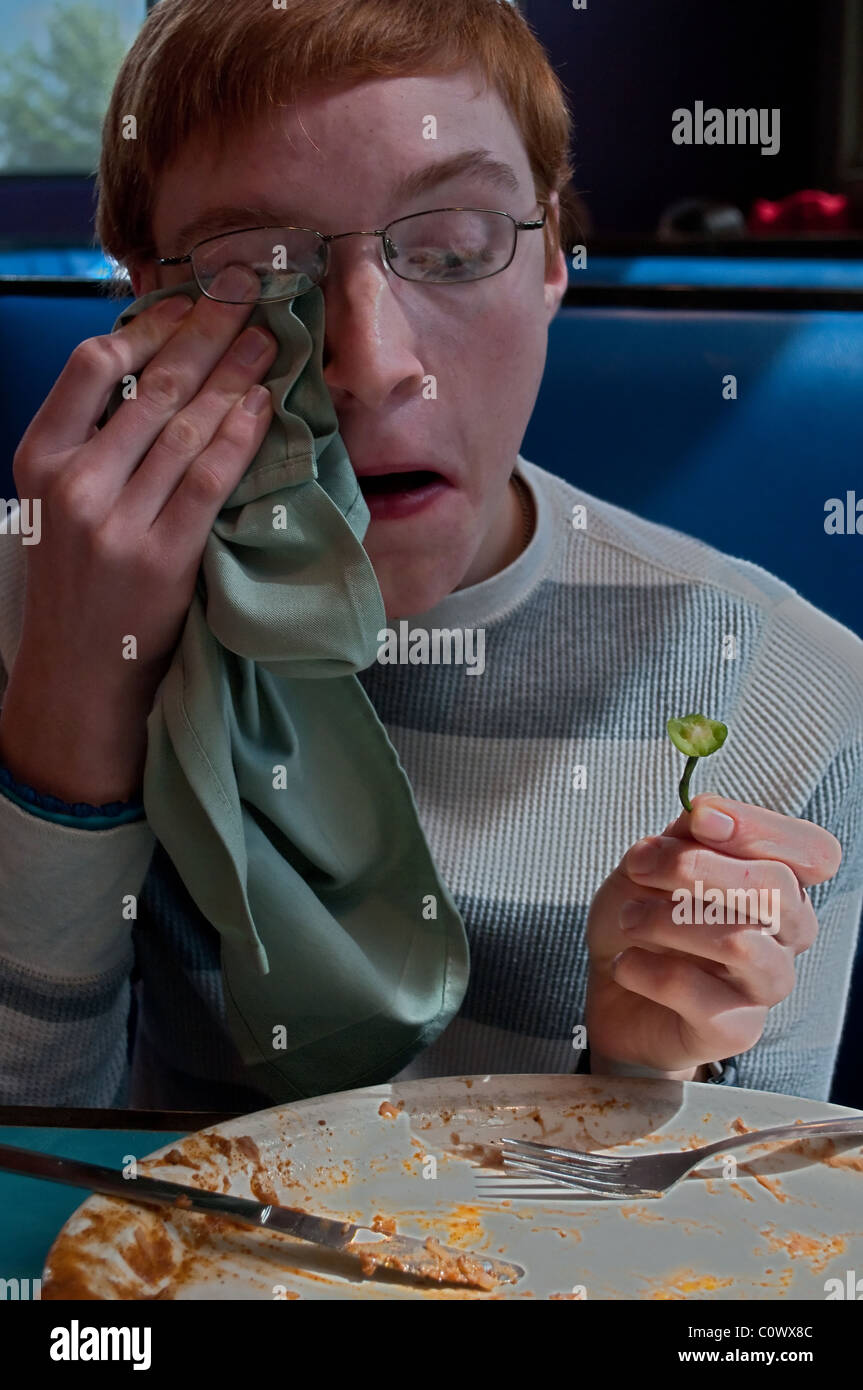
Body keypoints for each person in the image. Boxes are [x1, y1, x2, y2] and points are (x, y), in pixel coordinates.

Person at [0, 0, 859, 1110]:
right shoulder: (38, 606)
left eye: (452, 250)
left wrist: (638, 1084)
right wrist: (75, 693)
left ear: (550, 256)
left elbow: (755, 1250)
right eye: (261, 268)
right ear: (140, 298)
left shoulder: (789, 694)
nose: (370, 361)